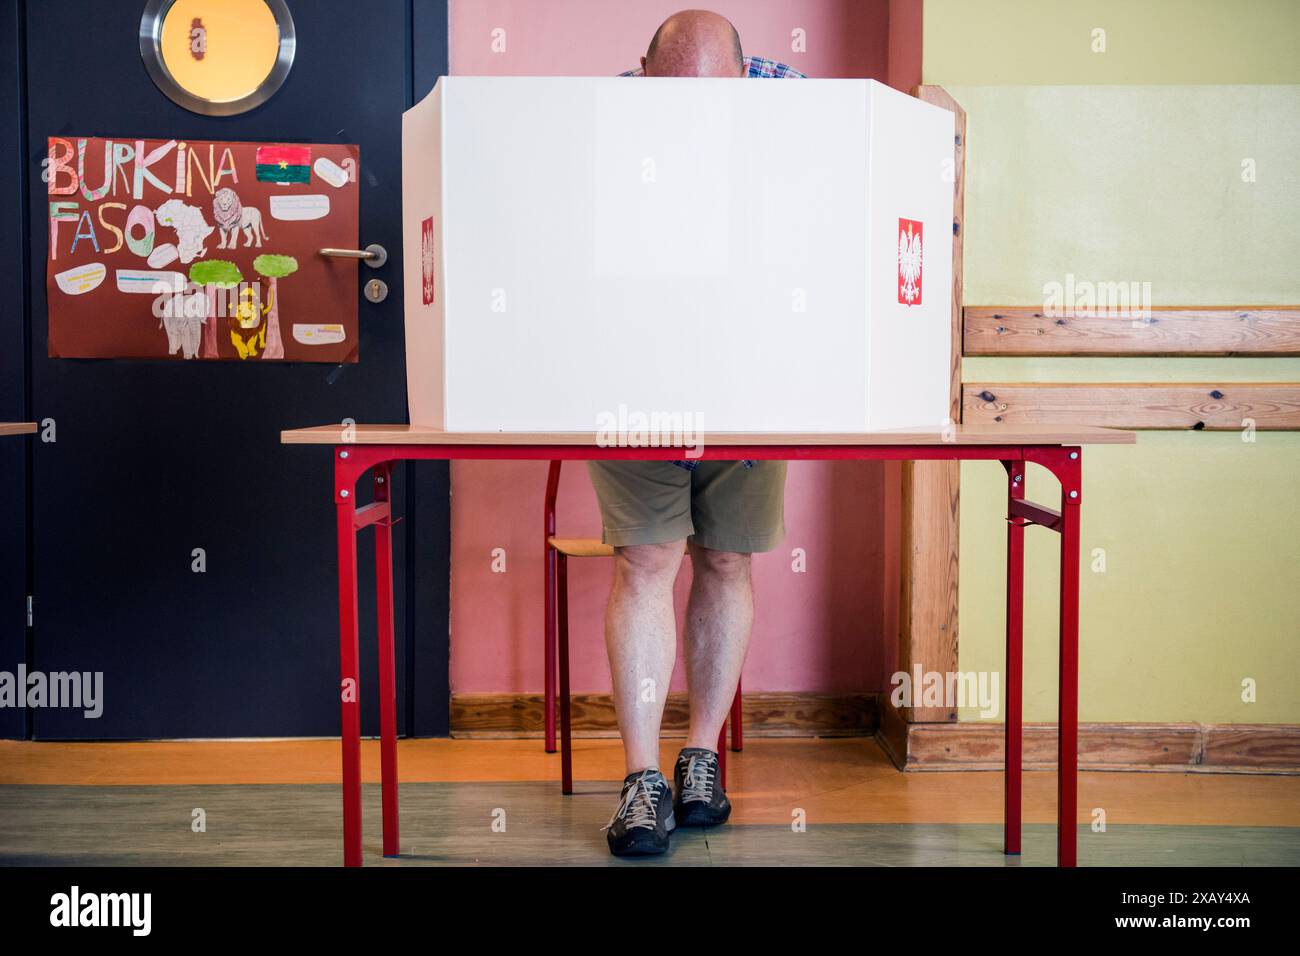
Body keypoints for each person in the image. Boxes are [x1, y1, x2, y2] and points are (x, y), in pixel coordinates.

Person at [593, 9, 804, 857]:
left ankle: (699, 759)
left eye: (708, 103)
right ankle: (642, 781)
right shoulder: (601, 120)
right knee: (645, 560)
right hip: (631, 376)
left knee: (726, 557)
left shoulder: (796, 113)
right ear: (641, 72)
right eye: (668, 100)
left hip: (755, 376)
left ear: (746, 76)